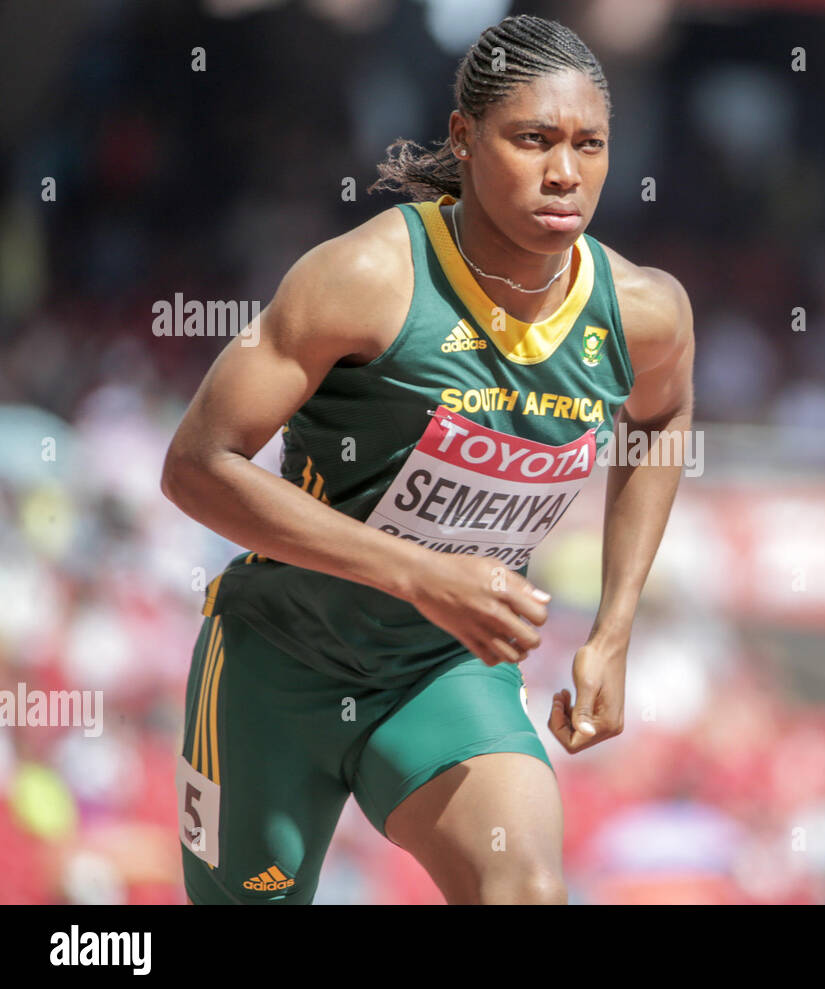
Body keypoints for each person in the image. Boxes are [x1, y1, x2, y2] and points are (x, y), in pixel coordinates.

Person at [160, 13, 694, 905]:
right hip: (279, 662)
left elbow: (664, 417)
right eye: (534, 139)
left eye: (590, 145)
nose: (566, 172)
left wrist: (614, 628)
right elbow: (195, 465)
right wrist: (420, 572)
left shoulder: (643, 311)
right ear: (465, 136)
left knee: (523, 888)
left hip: (445, 671)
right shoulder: (365, 278)